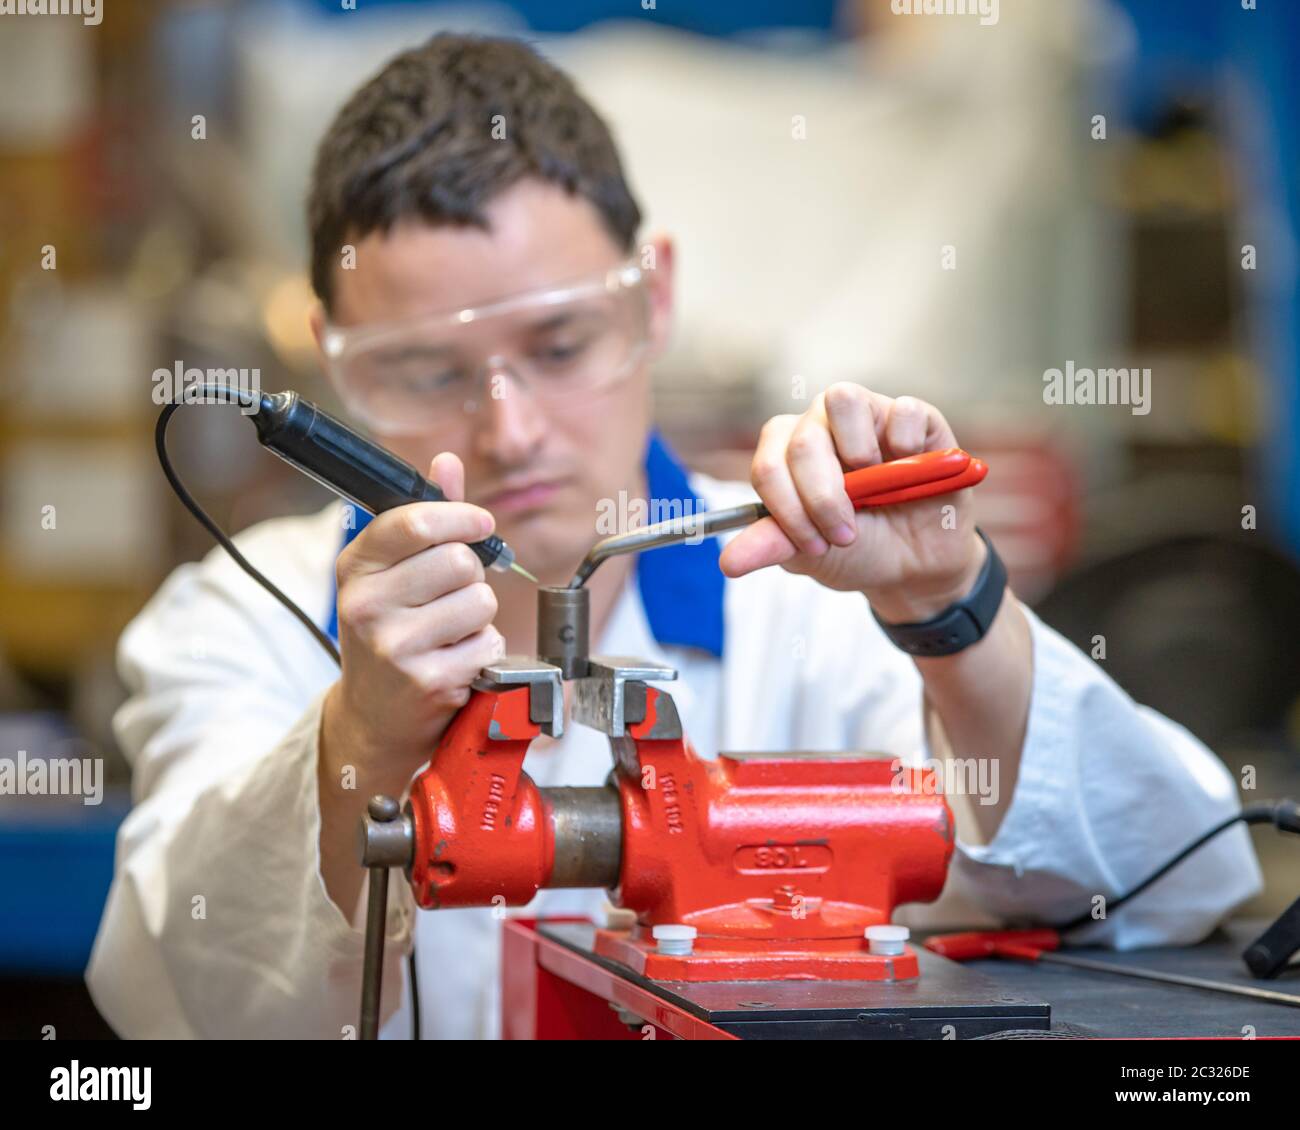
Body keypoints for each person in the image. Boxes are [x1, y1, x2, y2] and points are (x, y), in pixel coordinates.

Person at [87, 33, 1261, 1039]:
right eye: (424, 369)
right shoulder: (236, 620)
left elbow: (1172, 882)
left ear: (651, 299)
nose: (510, 429)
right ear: (330, 359)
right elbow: (185, 997)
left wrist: (953, 611)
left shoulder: (799, 601)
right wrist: (360, 739)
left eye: (558, 346)